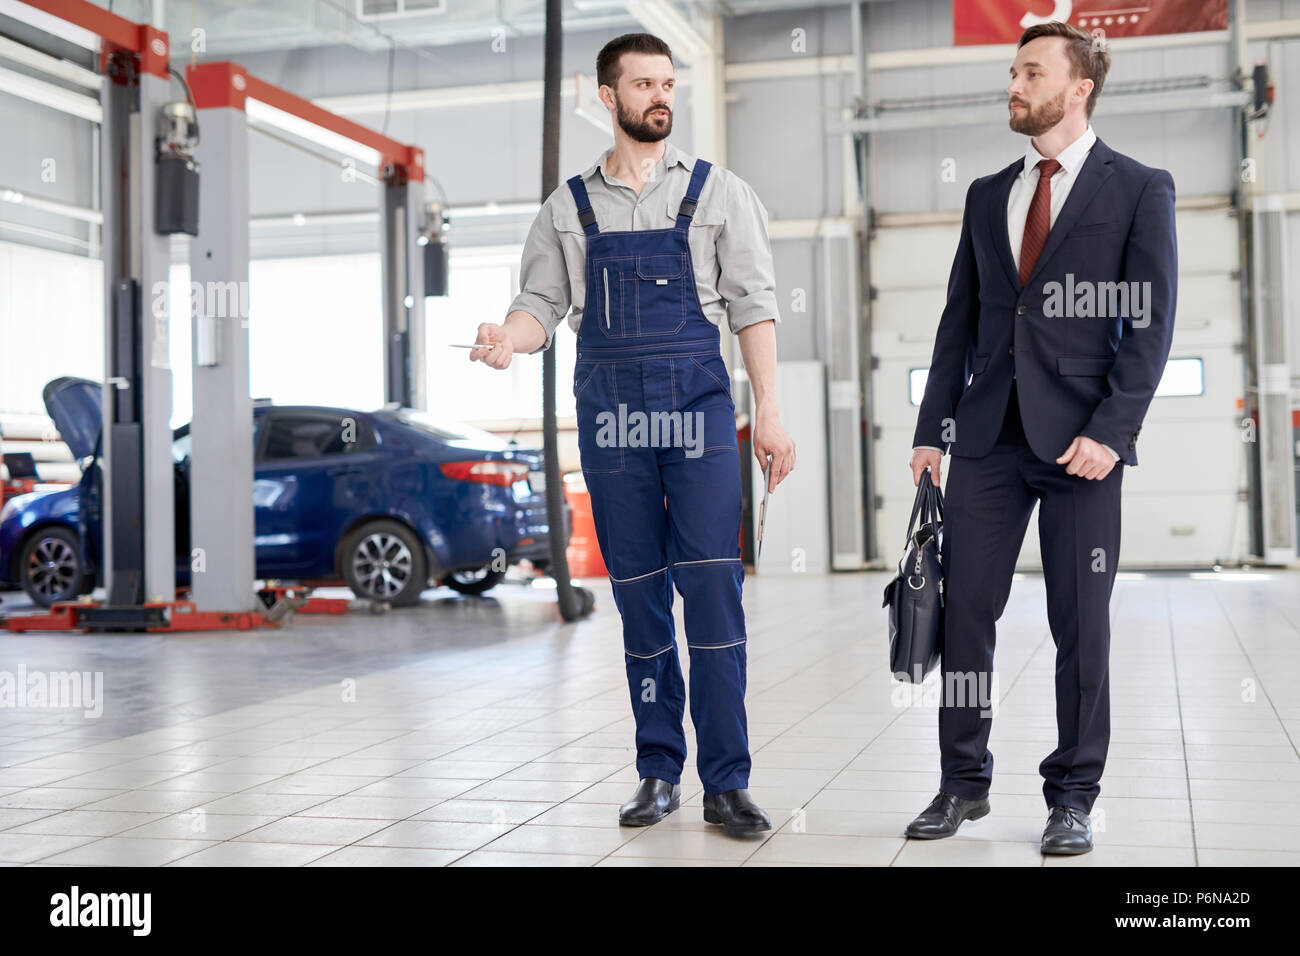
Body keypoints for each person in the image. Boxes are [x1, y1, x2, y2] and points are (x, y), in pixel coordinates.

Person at [469, 32, 796, 837]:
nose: (661, 97)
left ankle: (727, 781)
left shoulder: (721, 194)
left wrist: (772, 412)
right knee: (640, 598)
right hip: (611, 416)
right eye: (644, 84)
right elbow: (541, 305)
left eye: (669, 84)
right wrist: (510, 337)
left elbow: (752, 303)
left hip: (699, 413)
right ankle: (658, 772)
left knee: (713, 590)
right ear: (605, 96)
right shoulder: (566, 207)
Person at [907, 21, 1177, 855]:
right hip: (987, 439)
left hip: (1081, 448)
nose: (1014, 84)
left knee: (1080, 623)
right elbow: (963, 315)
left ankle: (1074, 795)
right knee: (964, 617)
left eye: (1030, 71)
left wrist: (1114, 429)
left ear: (1079, 87)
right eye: (1013, 71)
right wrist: (932, 429)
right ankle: (962, 782)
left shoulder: (1137, 188)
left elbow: (1151, 320)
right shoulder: (990, 193)